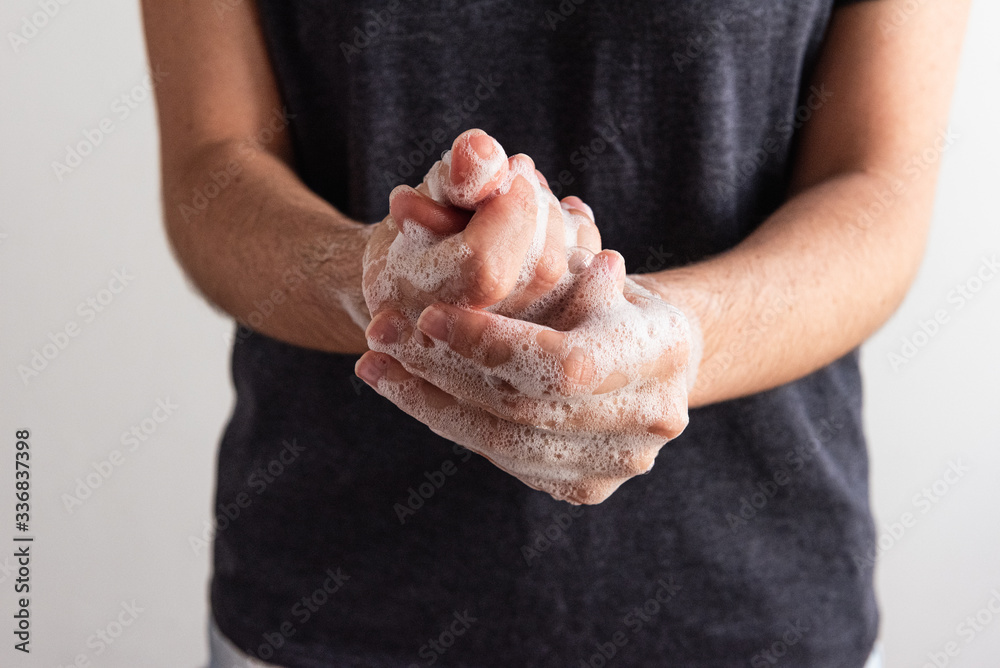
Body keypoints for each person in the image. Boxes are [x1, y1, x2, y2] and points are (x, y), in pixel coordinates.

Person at [141, 0, 969, 665]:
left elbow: (879, 187)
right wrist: (378, 283)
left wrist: (669, 343)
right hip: (334, 601)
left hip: (755, 609)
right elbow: (211, 165)